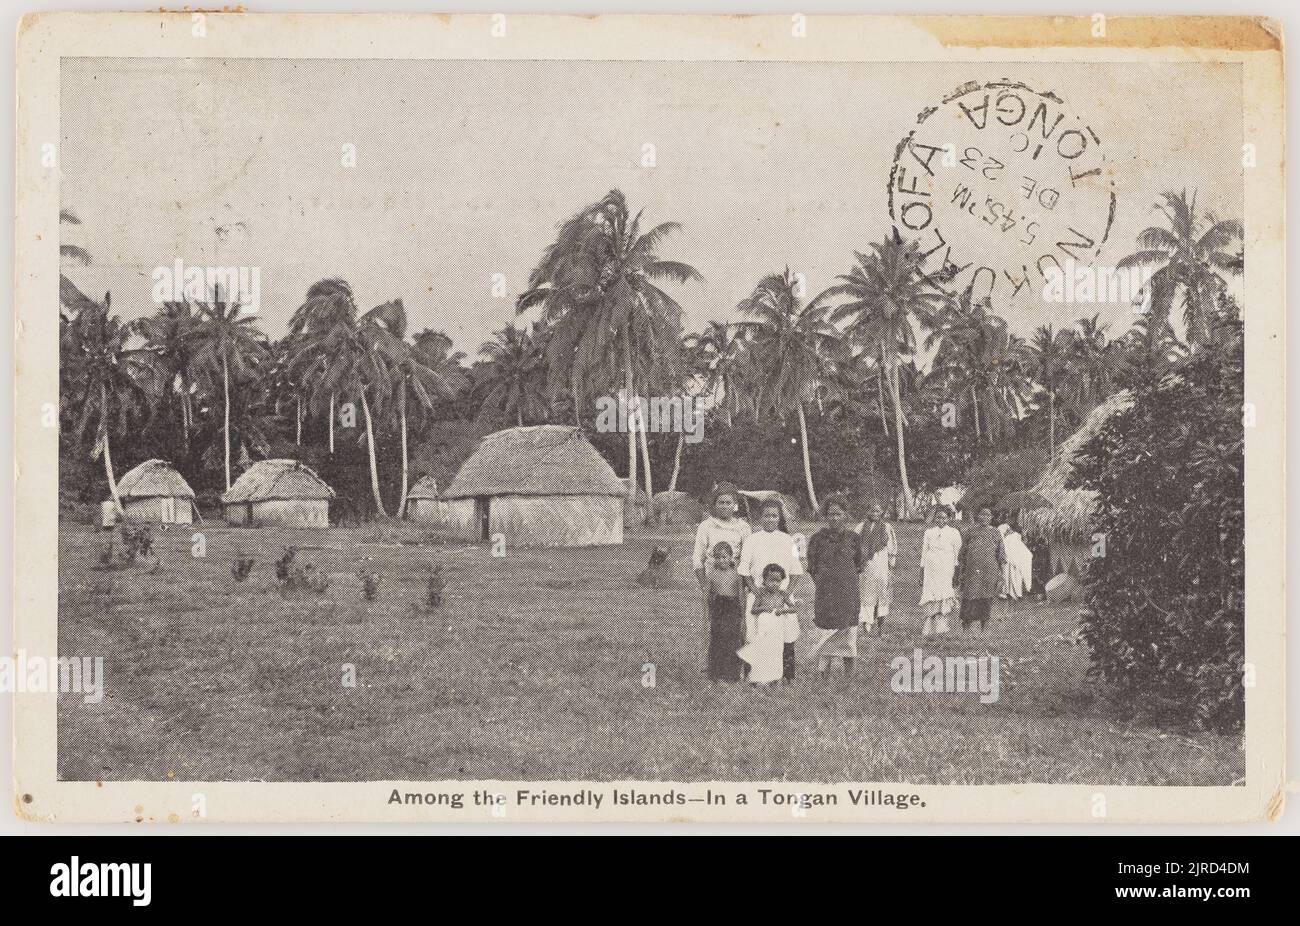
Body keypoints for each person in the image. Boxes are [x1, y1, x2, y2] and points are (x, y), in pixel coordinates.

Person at [738, 497, 805, 682]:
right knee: (754, 633)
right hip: (758, 595)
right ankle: (753, 675)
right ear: (760, 517)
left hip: (780, 597)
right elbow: (744, 570)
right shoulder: (752, 540)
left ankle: (787, 676)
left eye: (774, 516)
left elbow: (797, 571)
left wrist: (787, 593)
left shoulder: (787, 540)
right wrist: (755, 590)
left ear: (779, 518)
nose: (770, 519)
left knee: (786, 633)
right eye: (766, 515)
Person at [693, 483, 752, 666]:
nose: (724, 506)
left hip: (736, 584)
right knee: (715, 626)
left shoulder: (743, 527)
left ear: (735, 505)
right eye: (720, 502)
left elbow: (748, 557)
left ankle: (735, 666)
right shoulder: (706, 526)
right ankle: (714, 666)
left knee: (736, 625)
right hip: (714, 583)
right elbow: (697, 558)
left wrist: (745, 583)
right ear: (714, 504)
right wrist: (705, 586)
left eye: (728, 503)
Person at [807, 495, 864, 676]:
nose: (834, 518)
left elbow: (859, 564)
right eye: (830, 514)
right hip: (825, 594)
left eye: (838, 514)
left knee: (849, 632)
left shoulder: (853, 538)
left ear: (846, 515)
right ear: (825, 515)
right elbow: (812, 566)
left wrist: (845, 580)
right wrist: (824, 584)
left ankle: (850, 675)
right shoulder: (817, 539)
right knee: (827, 631)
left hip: (848, 593)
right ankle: (823, 674)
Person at [737, 563, 797, 686]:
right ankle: (760, 677)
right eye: (771, 580)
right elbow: (753, 610)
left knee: (776, 652)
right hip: (764, 629)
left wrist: (783, 610)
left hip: (777, 630)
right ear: (764, 580)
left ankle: (775, 678)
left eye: (778, 581)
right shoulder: (761, 594)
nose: (774, 584)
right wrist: (764, 608)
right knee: (763, 650)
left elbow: (793, 609)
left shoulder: (782, 594)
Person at [960, 507, 1006, 635]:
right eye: (982, 515)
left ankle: (984, 628)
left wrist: (1002, 574)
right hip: (973, 572)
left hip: (989, 572)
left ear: (991, 518)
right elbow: (963, 552)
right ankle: (966, 627)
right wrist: (961, 571)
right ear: (978, 516)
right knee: (969, 597)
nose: (984, 517)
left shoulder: (996, 533)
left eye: (987, 515)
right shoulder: (970, 531)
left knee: (986, 599)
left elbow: (1001, 555)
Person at [704, 542, 746, 682]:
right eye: (718, 557)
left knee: (733, 640)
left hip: (733, 607)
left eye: (724, 557)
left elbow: (741, 595)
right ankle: (715, 673)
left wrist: (743, 616)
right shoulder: (711, 574)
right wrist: (707, 617)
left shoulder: (737, 574)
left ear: (731, 557)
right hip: (718, 607)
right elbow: (707, 597)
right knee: (717, 639)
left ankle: (732, 674)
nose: (721, 560)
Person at [919, 505, 962, 637]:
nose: (941, 520)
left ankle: (941, 626)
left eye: (944, 517)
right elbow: (924, 552)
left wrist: (956, 570)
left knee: (943, 593)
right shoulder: (929, 532)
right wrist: (921, 570)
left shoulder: (954, 533)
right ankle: (928, 626)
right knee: (930, 593)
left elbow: (958, 553)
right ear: (935, 518)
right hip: (931, 567)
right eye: (938, 517)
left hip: (946, 567)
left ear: (948, 518)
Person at [856, 500, 896, 636]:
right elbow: (854, 545)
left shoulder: (886, 527)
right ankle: (866, 626)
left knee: (882, 595)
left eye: (878, 511)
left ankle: (881, 627)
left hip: (882, 565)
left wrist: (891, 566)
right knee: (866, 595)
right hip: (866, 566)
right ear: (868, 512)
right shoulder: (861, 527)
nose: (875, 513)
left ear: (881, 513)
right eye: (872, 510)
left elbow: (892, 549)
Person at [998, 523, 1033, 600]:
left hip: (1013, 561)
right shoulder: (1011, 538)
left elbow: (1015, 549)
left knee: (1013, 577)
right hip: (1012, 561)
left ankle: (1013, 593)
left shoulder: (1012, 538)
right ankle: (1013, 593)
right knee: (1012, 577)